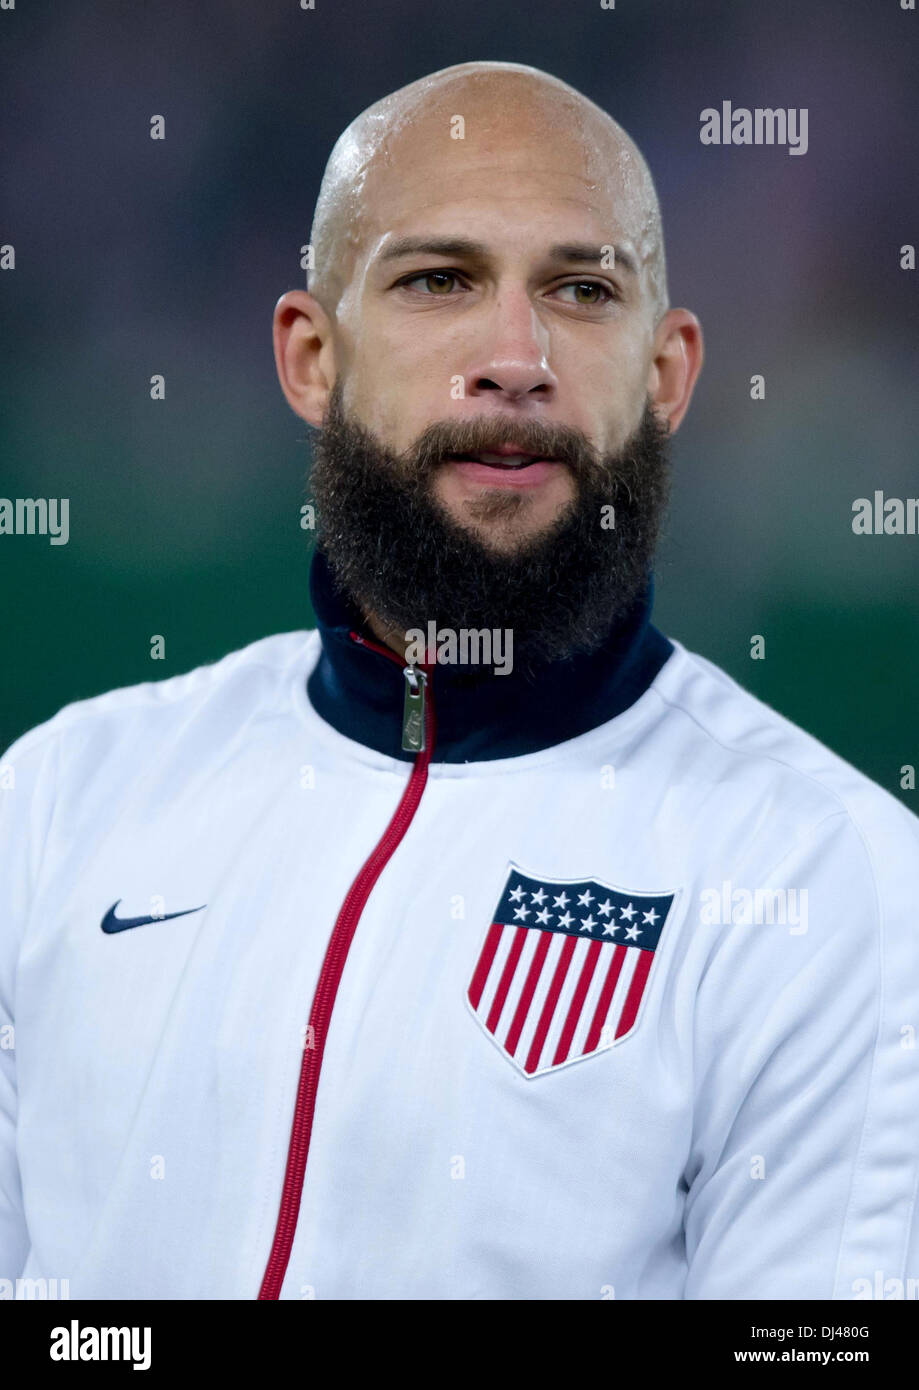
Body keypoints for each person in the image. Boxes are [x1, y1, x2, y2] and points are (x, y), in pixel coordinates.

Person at [2, 61, 917, 1302]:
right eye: (439, 281)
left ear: (667, 373)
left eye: (581, 290)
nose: (514, 357)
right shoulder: (59, 801)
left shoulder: (832, 880)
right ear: (311, 356)